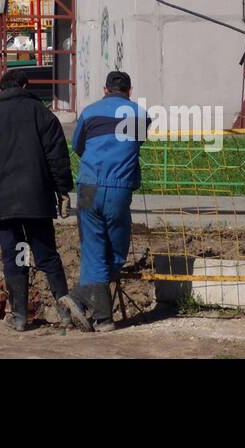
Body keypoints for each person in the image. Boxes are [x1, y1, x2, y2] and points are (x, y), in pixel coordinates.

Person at [0, 69, 82, 332]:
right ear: (25, 85)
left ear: (0, 89)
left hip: (1, 205)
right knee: (47, 257)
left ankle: (19, 317)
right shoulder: (42, 115)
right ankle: (64, 314)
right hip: (35, 202)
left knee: (15, 257)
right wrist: (63, 191)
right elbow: (57, 157)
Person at [68, 70, 148, 331]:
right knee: (117, 249)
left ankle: (84, 300)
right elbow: (135, 145)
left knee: (92, 248)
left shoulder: (90, 112)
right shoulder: (139, 114)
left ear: (105, 90)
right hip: (118, 189)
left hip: (89, 185)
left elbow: (78, 146)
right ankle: (99, 312)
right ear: (129, 90)